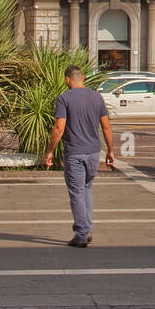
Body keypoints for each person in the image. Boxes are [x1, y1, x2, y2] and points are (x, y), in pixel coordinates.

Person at [44, 64, 115, 247]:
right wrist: (111, 151)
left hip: (74, 152)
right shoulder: (97, 97)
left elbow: (59, 127)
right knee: (86, 189)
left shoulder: (64, 98)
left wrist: (50, 150)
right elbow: (106, 127)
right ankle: (87, 227)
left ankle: (82, 234)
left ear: (67, 80)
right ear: (82, 78)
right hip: (93, 152)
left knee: (77, 192)